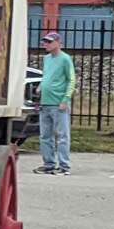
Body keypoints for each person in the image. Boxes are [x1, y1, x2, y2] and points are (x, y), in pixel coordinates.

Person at [35, 32, 76, 175]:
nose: (46, 44)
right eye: (45, 42)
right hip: (45, 103)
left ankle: (64, 166)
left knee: (62, 136)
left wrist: (65, 99)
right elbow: (46, 76)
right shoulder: (46, 59)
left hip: (58, 103)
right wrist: (41, 87)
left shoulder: (65, 59)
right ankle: (49, 164)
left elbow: (71, 80)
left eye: (49, 42)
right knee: (45, 136)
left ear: (58, 43)